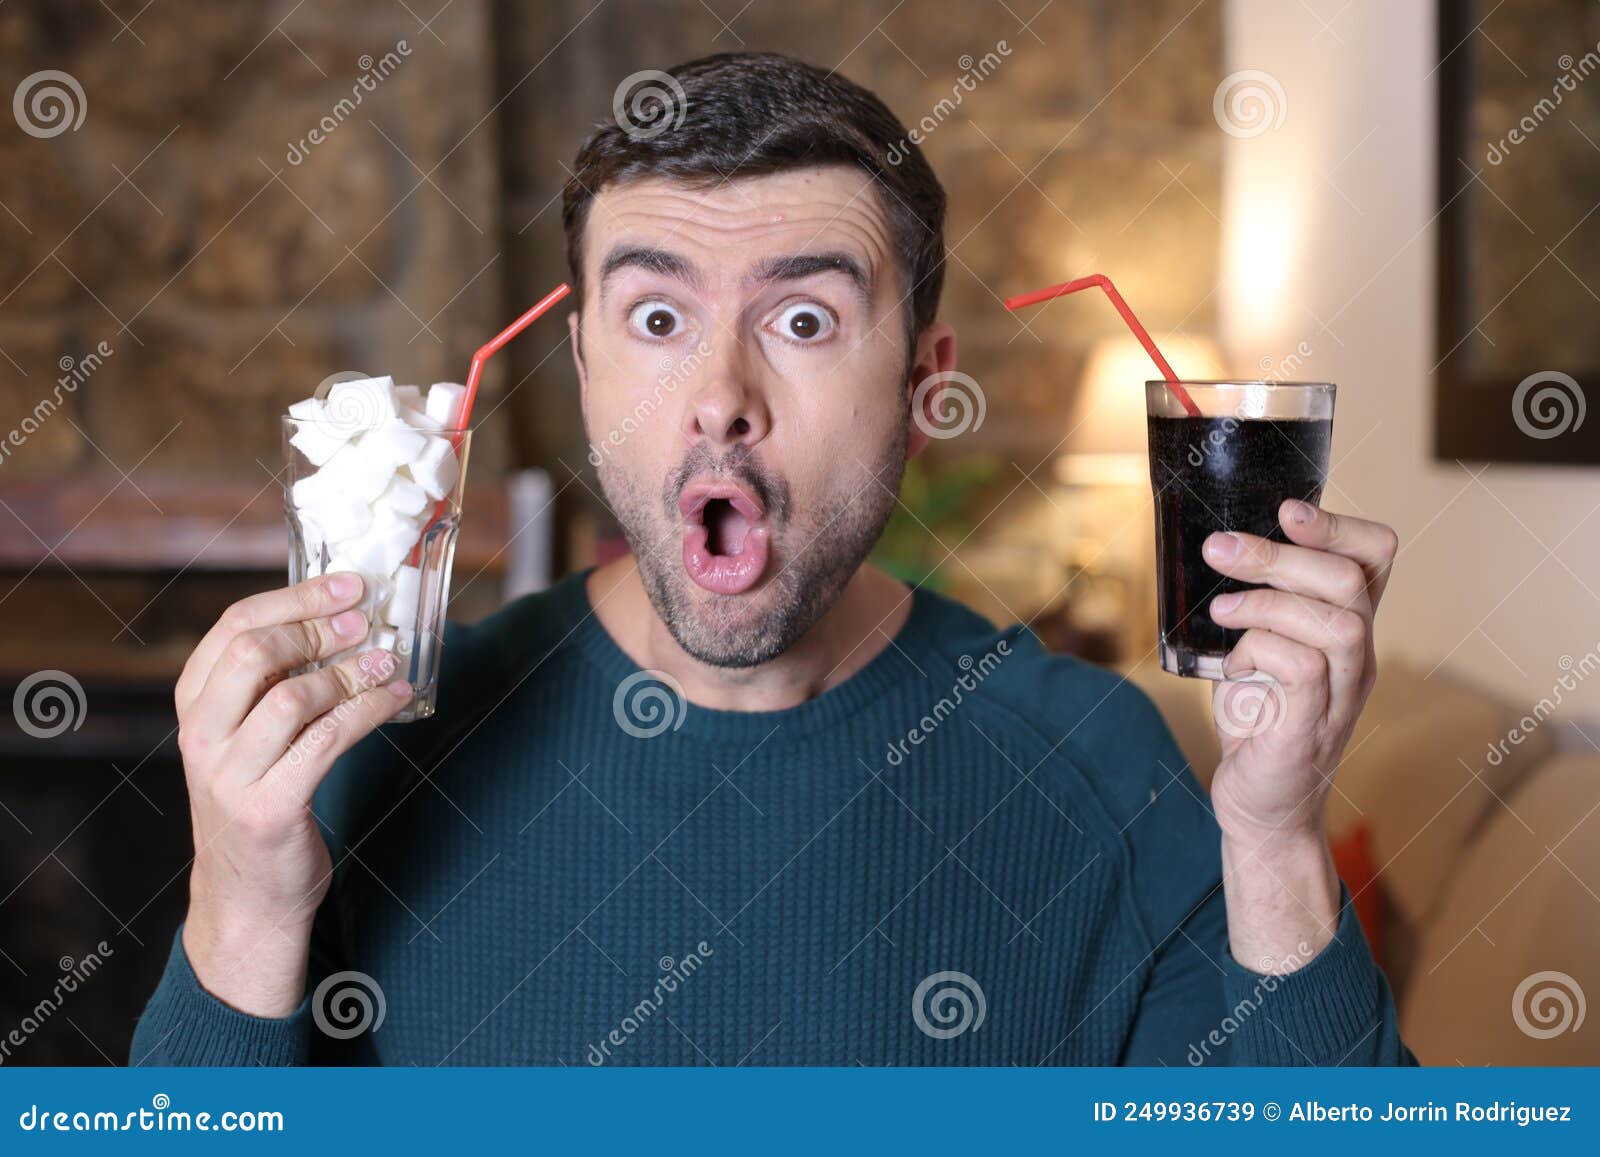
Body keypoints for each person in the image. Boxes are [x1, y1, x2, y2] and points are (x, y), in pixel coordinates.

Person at [132, 51, 1412, 1066]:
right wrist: (241, 894)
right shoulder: (375, 752)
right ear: (583, 372)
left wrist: (1275, 839)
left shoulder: (1100, 763)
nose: (718, 396)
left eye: (804, 318)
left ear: (923, 383)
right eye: (655, 317)